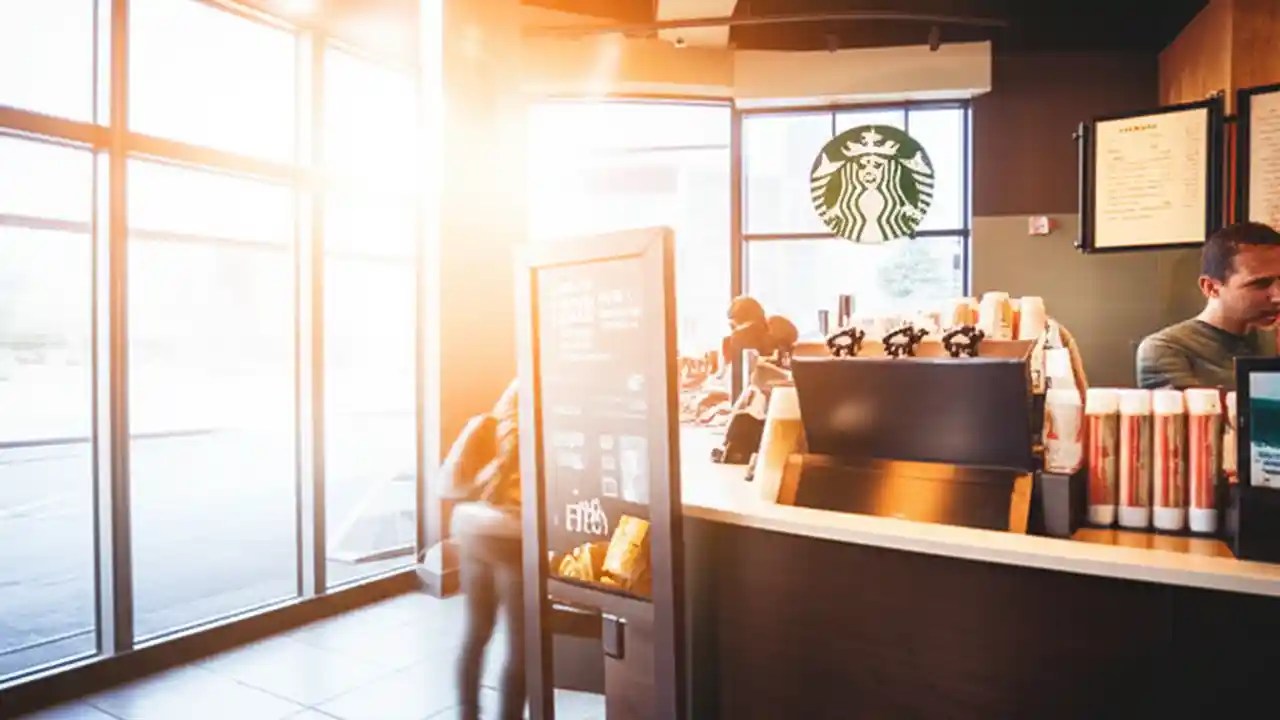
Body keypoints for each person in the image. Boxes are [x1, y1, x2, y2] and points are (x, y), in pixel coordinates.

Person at [443, 380, 524, 720]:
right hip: (513, 534)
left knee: (476, 632)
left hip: (475, 524)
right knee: (525, 647)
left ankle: (467, 715)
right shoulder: (559, 393)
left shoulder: (515, 388)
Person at [1137, 222, 1280, 390]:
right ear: (1211, 287)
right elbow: (1198, 414)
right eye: (1260, 284)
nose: (1277, 296)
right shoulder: (1166, 349)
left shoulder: (1271, 339)